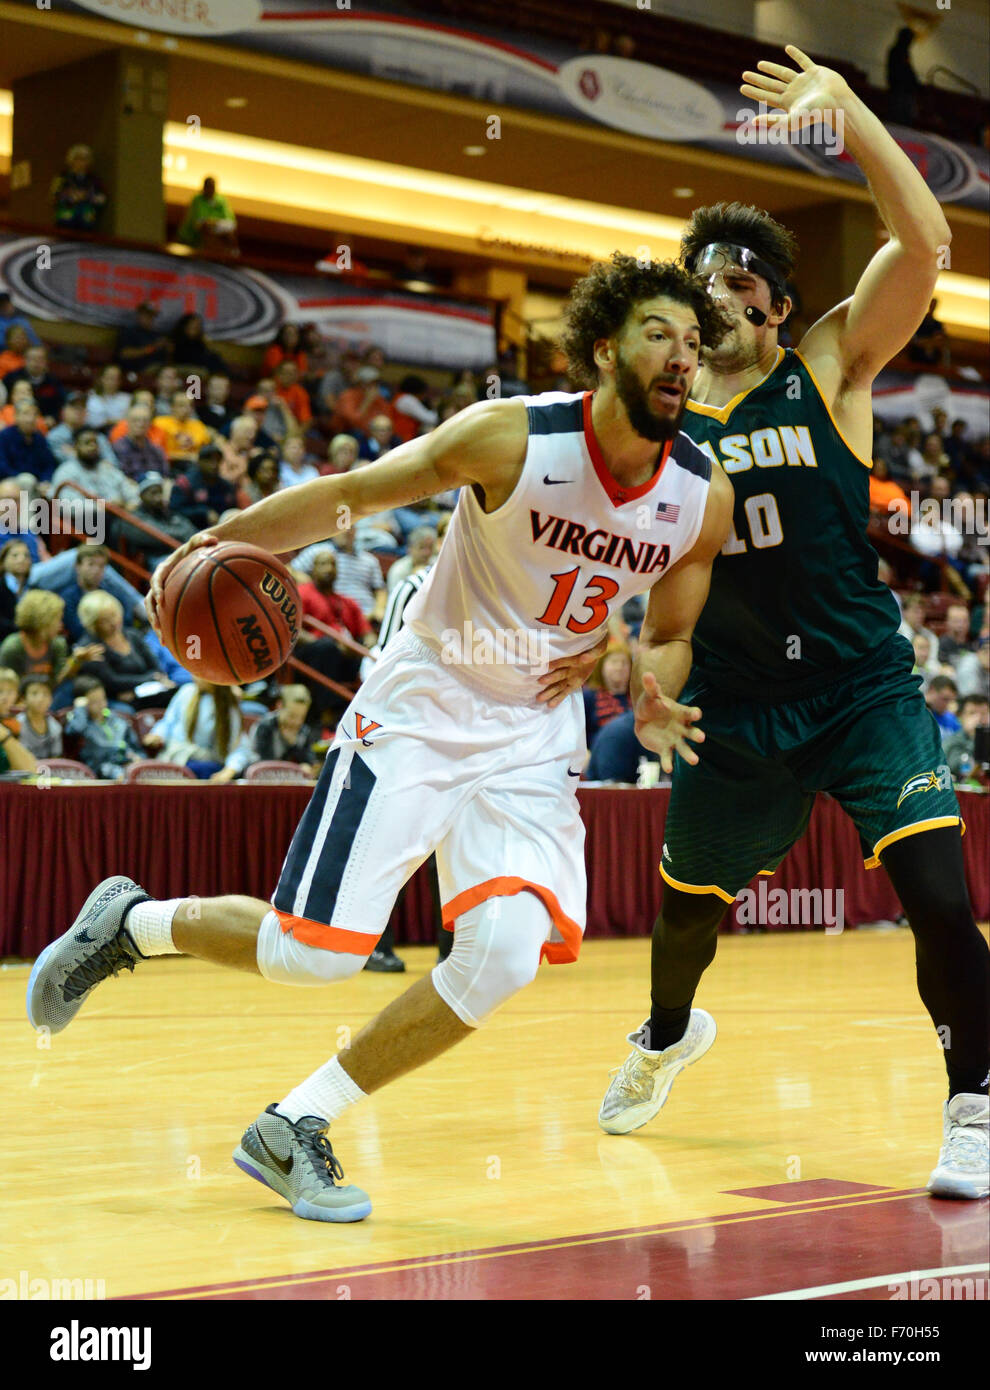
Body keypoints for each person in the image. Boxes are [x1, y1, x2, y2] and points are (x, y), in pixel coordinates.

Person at [27, 253, 734, 1222]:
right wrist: (213, 542)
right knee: (312, 952)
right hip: (427, 704)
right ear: (605, 347)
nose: (681, 358)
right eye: (661, 334)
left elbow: (672, 635)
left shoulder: (703, 495)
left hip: (532, 735)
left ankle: (294, 1124)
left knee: (507, 952)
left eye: (695, 344)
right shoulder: (511, 438)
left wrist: (649, 688)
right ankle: (131, 924)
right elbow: (352, 491)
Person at [598, 46, 989, 1202]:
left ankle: (976, 1100)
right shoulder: (658, 429)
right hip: (737, 706)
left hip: (863, 687)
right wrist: (646, 682)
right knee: (682, 923)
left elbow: (926, 245)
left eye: (737, 283)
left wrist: (856, 116)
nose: (716, 300)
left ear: (775, 297)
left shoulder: (829, 365)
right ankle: (667, 1033)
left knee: (938, 897)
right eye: (699, 288)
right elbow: (651, 597)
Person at [75, 591, 176, 710]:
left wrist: (156, 679)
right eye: (105, 620)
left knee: (178, 694)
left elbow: (155, 665)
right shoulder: (90, 647)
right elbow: (112, 681)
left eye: (114, 615)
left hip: (145, 690)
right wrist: (151, 678)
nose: (113, 623)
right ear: (93, 624)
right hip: (113, 699)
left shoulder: (133, 635)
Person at [143, 678, 252, 781]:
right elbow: (168, 721)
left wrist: (230, 770)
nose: (195, 676)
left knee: (204, 769)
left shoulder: (228, 704)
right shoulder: (186, 691)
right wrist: (157, 735)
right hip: (175, 756)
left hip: (208, 763)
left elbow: (239, 746)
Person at [0, 589, 99, 694]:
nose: (61, 625)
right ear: (44, 622)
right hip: (20, 702)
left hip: (49, 697)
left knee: (69, 687)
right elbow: (7, 688)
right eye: (57, 620)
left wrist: (75, 660)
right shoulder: (13, 648)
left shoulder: (58, 644)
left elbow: (58, 681)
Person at [64, 676, 144, 779]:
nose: (101, 705)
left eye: (103, 699)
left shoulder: (118, 720)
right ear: (83, 702)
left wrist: (138, 758)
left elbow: (136, 748)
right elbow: (75, 731)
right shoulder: (79, 721)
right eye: (94, 702)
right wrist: (80, 709)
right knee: (116, 774)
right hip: (99, 770)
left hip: (127, 764)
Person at [51, 427, 140, 510]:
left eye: (95, 443)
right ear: (75, 447)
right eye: (87, 443)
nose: (92, 447)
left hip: (120, 515)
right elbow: (67, 505)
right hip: (88, 522)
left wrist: (132, 503)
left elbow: (130, 491)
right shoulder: (66, 471)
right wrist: (105, 506)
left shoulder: (107, 468)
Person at [120, 472, 197, 569]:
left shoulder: (166, 512)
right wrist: (181, 534)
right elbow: (157, 535)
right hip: (153, 560)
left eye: (160, 492)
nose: (158, 497)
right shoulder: (133, 518)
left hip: (176, 554)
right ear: (141, 495)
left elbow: (191, 531)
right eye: (153, 493)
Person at [244, 685, 318, 774]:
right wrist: (289, 743)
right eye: (292, 716)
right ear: (280, 706)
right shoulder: (265, 726)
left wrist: (295, 746)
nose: (296, 722)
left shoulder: (303, 731)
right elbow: (265, 762)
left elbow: (309, 761)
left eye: (302, 717)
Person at [170, 443, 238, 529]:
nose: (214, 465)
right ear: (199, 462)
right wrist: (203, 512)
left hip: (222, 530)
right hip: (192, 531)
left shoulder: (226, 486)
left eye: (217, 460)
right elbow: (175, 511)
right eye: (209, 460)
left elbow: (232, 509)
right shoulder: (185, 483)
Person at [583, 643, 632, 750]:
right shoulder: (589, 696)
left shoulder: (636, 698)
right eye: (614, 662)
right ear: (602, 666)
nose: (619, 667)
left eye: (624, 663)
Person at [3, 344, 65, 426]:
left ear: (46, 362)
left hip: (44, 423)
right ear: (24, 360)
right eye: (32, 359)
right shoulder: (11, 378)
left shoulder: (53, 381)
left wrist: (53, 418)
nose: (36, 362)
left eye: (40, 359)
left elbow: (61, 403)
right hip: (13, 419)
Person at [48, 393, 117, 467]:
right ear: (63, 411)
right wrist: (98, 461)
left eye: (82, 407)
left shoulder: (96, 434)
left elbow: (112, 462)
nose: (78, 411)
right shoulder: (55, 436)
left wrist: (75, 453)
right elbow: (65, 462)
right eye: (74, 407)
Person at [50, 145, 107, 232]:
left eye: (85, 159)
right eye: (78, 159)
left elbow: (101, 198)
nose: (81, 163)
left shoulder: (94, 180)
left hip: (86, 222)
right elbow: (54, 196)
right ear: (71, 160)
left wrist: (87, 196)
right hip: (66, 221)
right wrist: (70, 196)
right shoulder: (62, 178)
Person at [0, 399, 58, 483]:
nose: (30, 419)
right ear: (16, 416)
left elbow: (49, 465)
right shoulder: (4, 436)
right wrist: (22, 479)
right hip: (11, 483)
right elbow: (2, 467)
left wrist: (45, 480)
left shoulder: (39, 438)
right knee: (26, 482)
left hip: (37, 484)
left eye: (34, 414)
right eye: (26, 413)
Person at [177, 178, 237, 254]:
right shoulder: (197, 200)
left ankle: (231, 254)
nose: (210, 190)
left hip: (217, 231)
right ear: (204, 188)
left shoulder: (221, 200)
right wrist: (210, 223)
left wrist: (214, 223)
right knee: (206, 229)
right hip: (192, 238)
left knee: (228, 234)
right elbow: (198, 222)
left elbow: (229, 220)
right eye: (208, 187)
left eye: (212, 187)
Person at [112, 402, 170, 481]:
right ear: (127, 422)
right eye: (135, 420)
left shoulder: (156, 450)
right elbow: (122, 478)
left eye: (145, 421)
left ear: (150, 424)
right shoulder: (118, 448)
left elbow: (165, 475)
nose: (140, 424)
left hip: (158, 487)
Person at [16, 674, 63, 761]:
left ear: (51, 699)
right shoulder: (16, 724)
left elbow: (56, 758)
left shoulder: (55, 727)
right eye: (34, 693)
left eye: (46, 694)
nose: (41, 699)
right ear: (23, 698)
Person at [942, 695, 990, 780]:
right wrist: (975, 738)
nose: (978, 718)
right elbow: (961, 768)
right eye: (972, 713)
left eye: (983, 713)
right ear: (961, 717)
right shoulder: (951, 743)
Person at [116, 302, 171, 375]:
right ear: (139, 315)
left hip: (161, 368)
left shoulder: (157, 334)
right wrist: (153, 347)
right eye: (147, 316)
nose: (150, 319)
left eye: (152, 316)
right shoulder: (129, 332)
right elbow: (125, 354)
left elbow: (167, 357)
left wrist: (169, 349)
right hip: (138, 369)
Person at [0, 668, 37, 773]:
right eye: (0, 691)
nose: (5, 697)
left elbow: (30, 769)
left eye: (10, 691)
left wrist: (5, 736)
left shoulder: (16, 723)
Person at [885, 26, 920, 127]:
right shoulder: (897, 52)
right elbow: (903, 71)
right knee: (899, 117)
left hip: (902, 90)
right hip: (900, 90)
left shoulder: (902, 52)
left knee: (903, 117)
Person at [385, 525, 435, 593]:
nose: (427, 552)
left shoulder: (436, 564)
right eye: (421, 547)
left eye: (430, 547)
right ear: (410, 549)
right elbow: (396, 598)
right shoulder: (399, 570)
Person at [0, 538, 33, 641]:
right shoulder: (1, 586)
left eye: (26, 555)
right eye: (15, 556)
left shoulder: (34, 589)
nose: (21, 559)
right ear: (3, 562)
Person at [84, 364, 131, 432]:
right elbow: (88, 420)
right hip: (94, 432)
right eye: (110, 377)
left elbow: (130, 422)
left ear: (120, 381)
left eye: (116, 378)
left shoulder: (127, 398)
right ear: (101, 378)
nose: (113, 381)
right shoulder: (90, 396)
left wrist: (110, 422)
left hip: (119, 433)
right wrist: (109, 422)